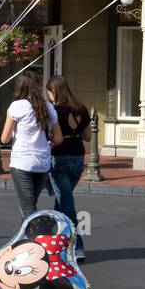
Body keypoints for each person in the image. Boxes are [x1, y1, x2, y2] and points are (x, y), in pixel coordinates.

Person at [1, 70, 63, 219]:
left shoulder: (17, 106)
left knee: (28, 208)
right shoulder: (48, 107)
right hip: (42, 163)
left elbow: (4, 138)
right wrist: (47, 136)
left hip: (22, 162)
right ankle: (24, 240)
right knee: (29, 205)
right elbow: (59, 138)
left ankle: (37, 238)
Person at [47, 75, 91, 259]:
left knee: (67, 203)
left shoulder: (55, 110)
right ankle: (55, 242)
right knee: (61, 201)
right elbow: (88, 136)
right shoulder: (81, 108)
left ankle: (77, 246)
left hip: (59, 158)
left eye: (49, 92)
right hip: (78, 158)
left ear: (53, 92)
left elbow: (51, 135)